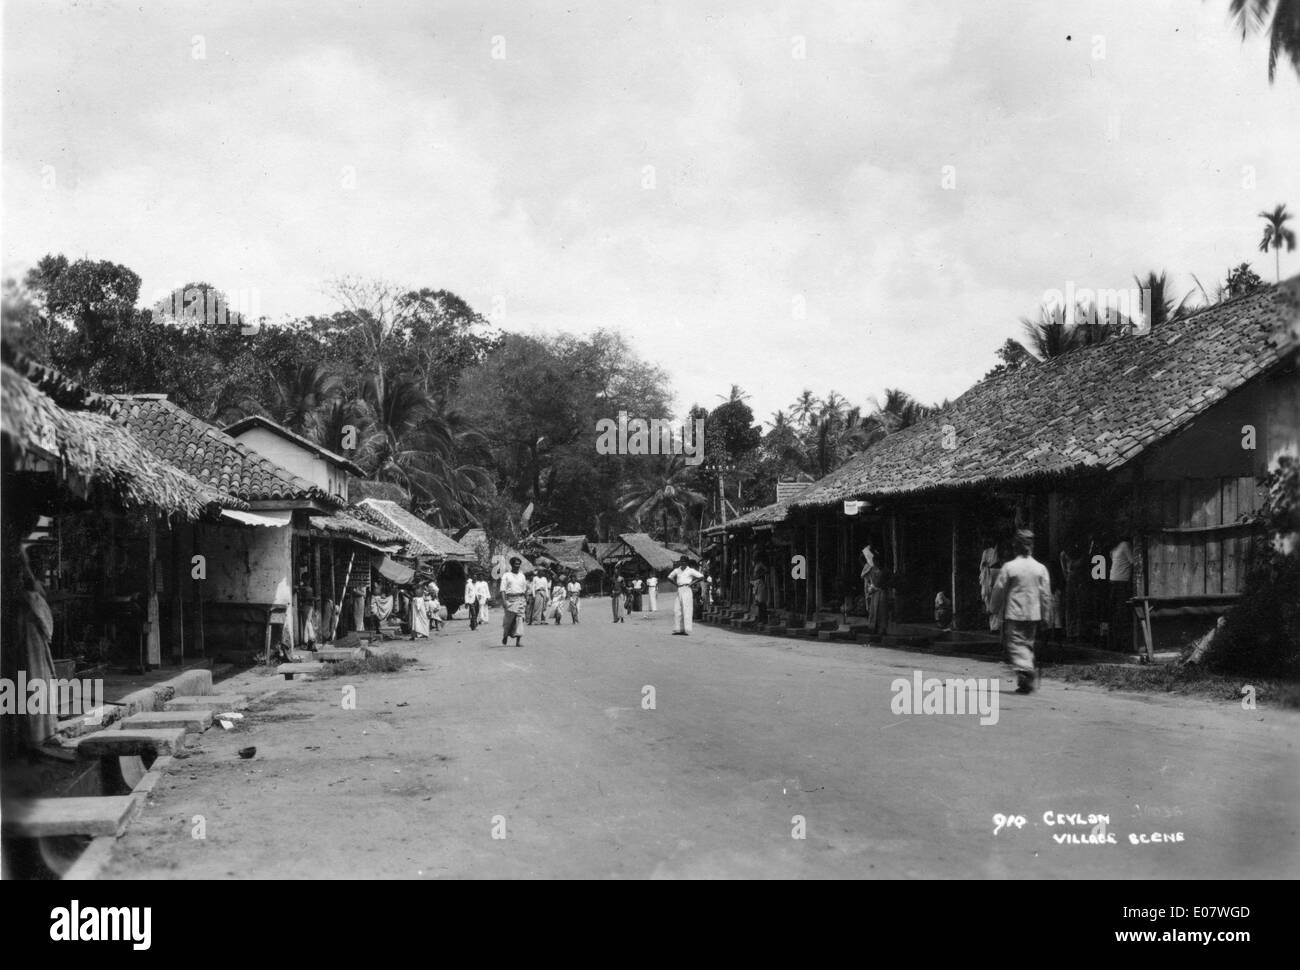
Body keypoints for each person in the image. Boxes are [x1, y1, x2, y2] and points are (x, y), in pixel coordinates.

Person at [989, 529, 1052, 694]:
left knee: (1014, 644)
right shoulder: (1040, 568)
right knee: (1027, 644)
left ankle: (1026, 669)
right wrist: (1046, 616)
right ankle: (1024, 681)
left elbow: (999, 590)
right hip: (1033, 615)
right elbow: (1045, 595)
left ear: (1015, 547)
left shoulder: (1009, 567)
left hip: (1014, 614)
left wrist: (993, 608)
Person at [1107, 533, 1134, 652]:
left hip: (1121, 583)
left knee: (1121, 615)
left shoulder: (1124, 545)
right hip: (1114, 582)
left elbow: (1133, 561)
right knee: (1115, 615)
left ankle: (1122, 645)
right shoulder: (1116, 548)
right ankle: (1114, 644)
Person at [667, 556, 705, 636]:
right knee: (677, 609)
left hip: (687, 589)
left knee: (687, 609)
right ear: (680, 562)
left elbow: (701, 577)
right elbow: (669, 577)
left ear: (687, 563)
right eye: (681, 561)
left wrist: (692, 583)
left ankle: (687, 629)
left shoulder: (690, 570)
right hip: (679, 589)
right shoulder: (677, 570)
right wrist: (676, 584)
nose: (683, 563)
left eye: (684, 562)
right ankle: (678, 629)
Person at [499, 556, 528, 647]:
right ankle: (505, 636)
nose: (517, 566)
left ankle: (518, 641)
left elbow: (524, 589)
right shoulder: (506, 575)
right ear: (511, 565)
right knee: (508, 621)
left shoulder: (522, 576)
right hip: (510, 600)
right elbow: (502, 590)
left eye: (519, 564)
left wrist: (526, 600)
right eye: (516, 564)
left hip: (520, 600)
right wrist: (504, 601)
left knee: (520, 619)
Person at [751, 556, 770, 624]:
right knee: (757, 602)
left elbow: (767, 570)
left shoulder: (760, 564)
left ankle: (763, 619)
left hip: (760, 583)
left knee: (761, 602)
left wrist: (760, 575)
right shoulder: (755, 565)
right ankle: (759, 618)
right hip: (756, 583)